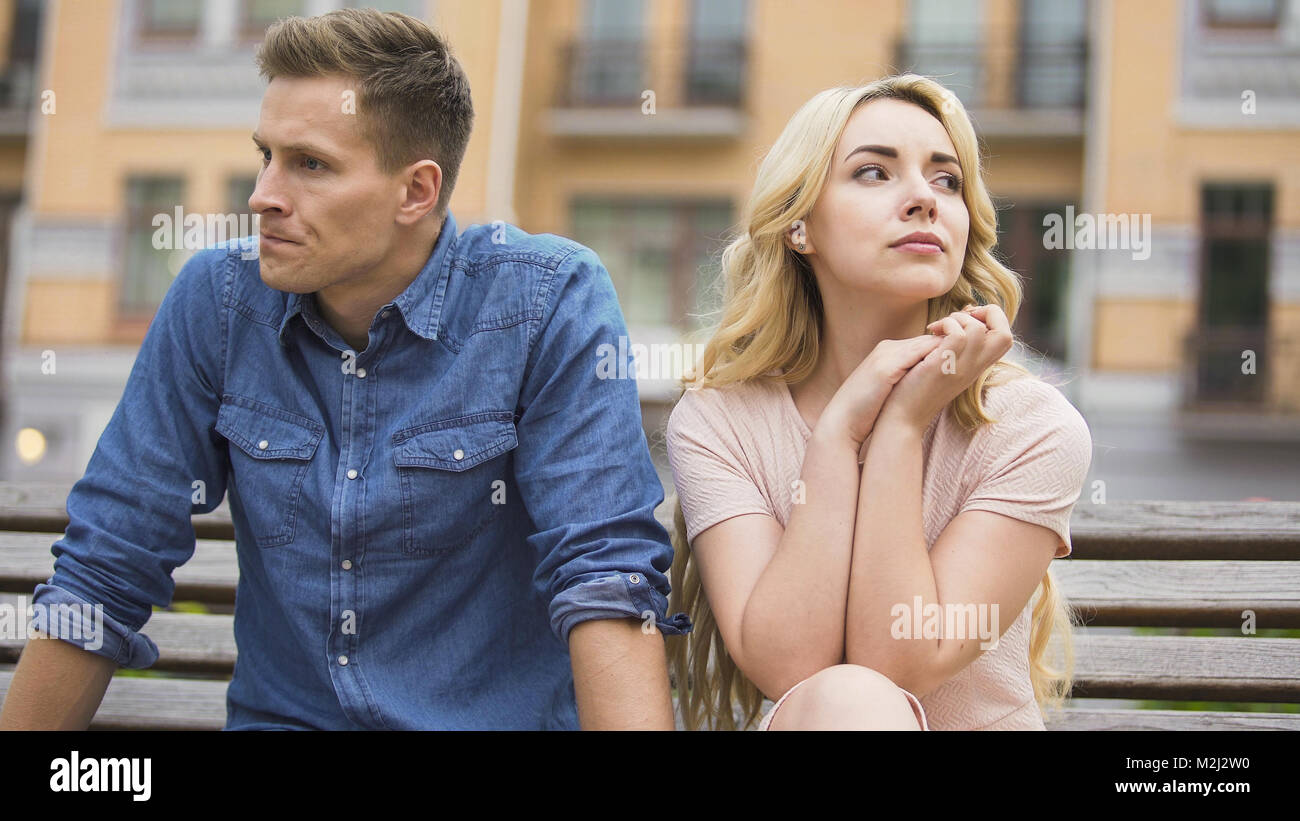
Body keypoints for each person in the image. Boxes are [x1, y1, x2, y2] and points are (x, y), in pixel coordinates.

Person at [0, 8, 689, 731]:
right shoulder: (219, 301)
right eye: (266, 153)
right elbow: (108, 561)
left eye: (310, 164)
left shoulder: (544, 301)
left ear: (416, 191)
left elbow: (605, 578)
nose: (263, 193)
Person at [664, 74, 1093, 731]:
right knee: (844, 700)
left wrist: (900, 428)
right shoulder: (722, 420)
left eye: (946, 180)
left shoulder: (1034, 427)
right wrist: (838, 436)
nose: (925, 198)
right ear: (798, 225)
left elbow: (898, 658)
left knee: (859, 695)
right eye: (874, 173)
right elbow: (789, 663)